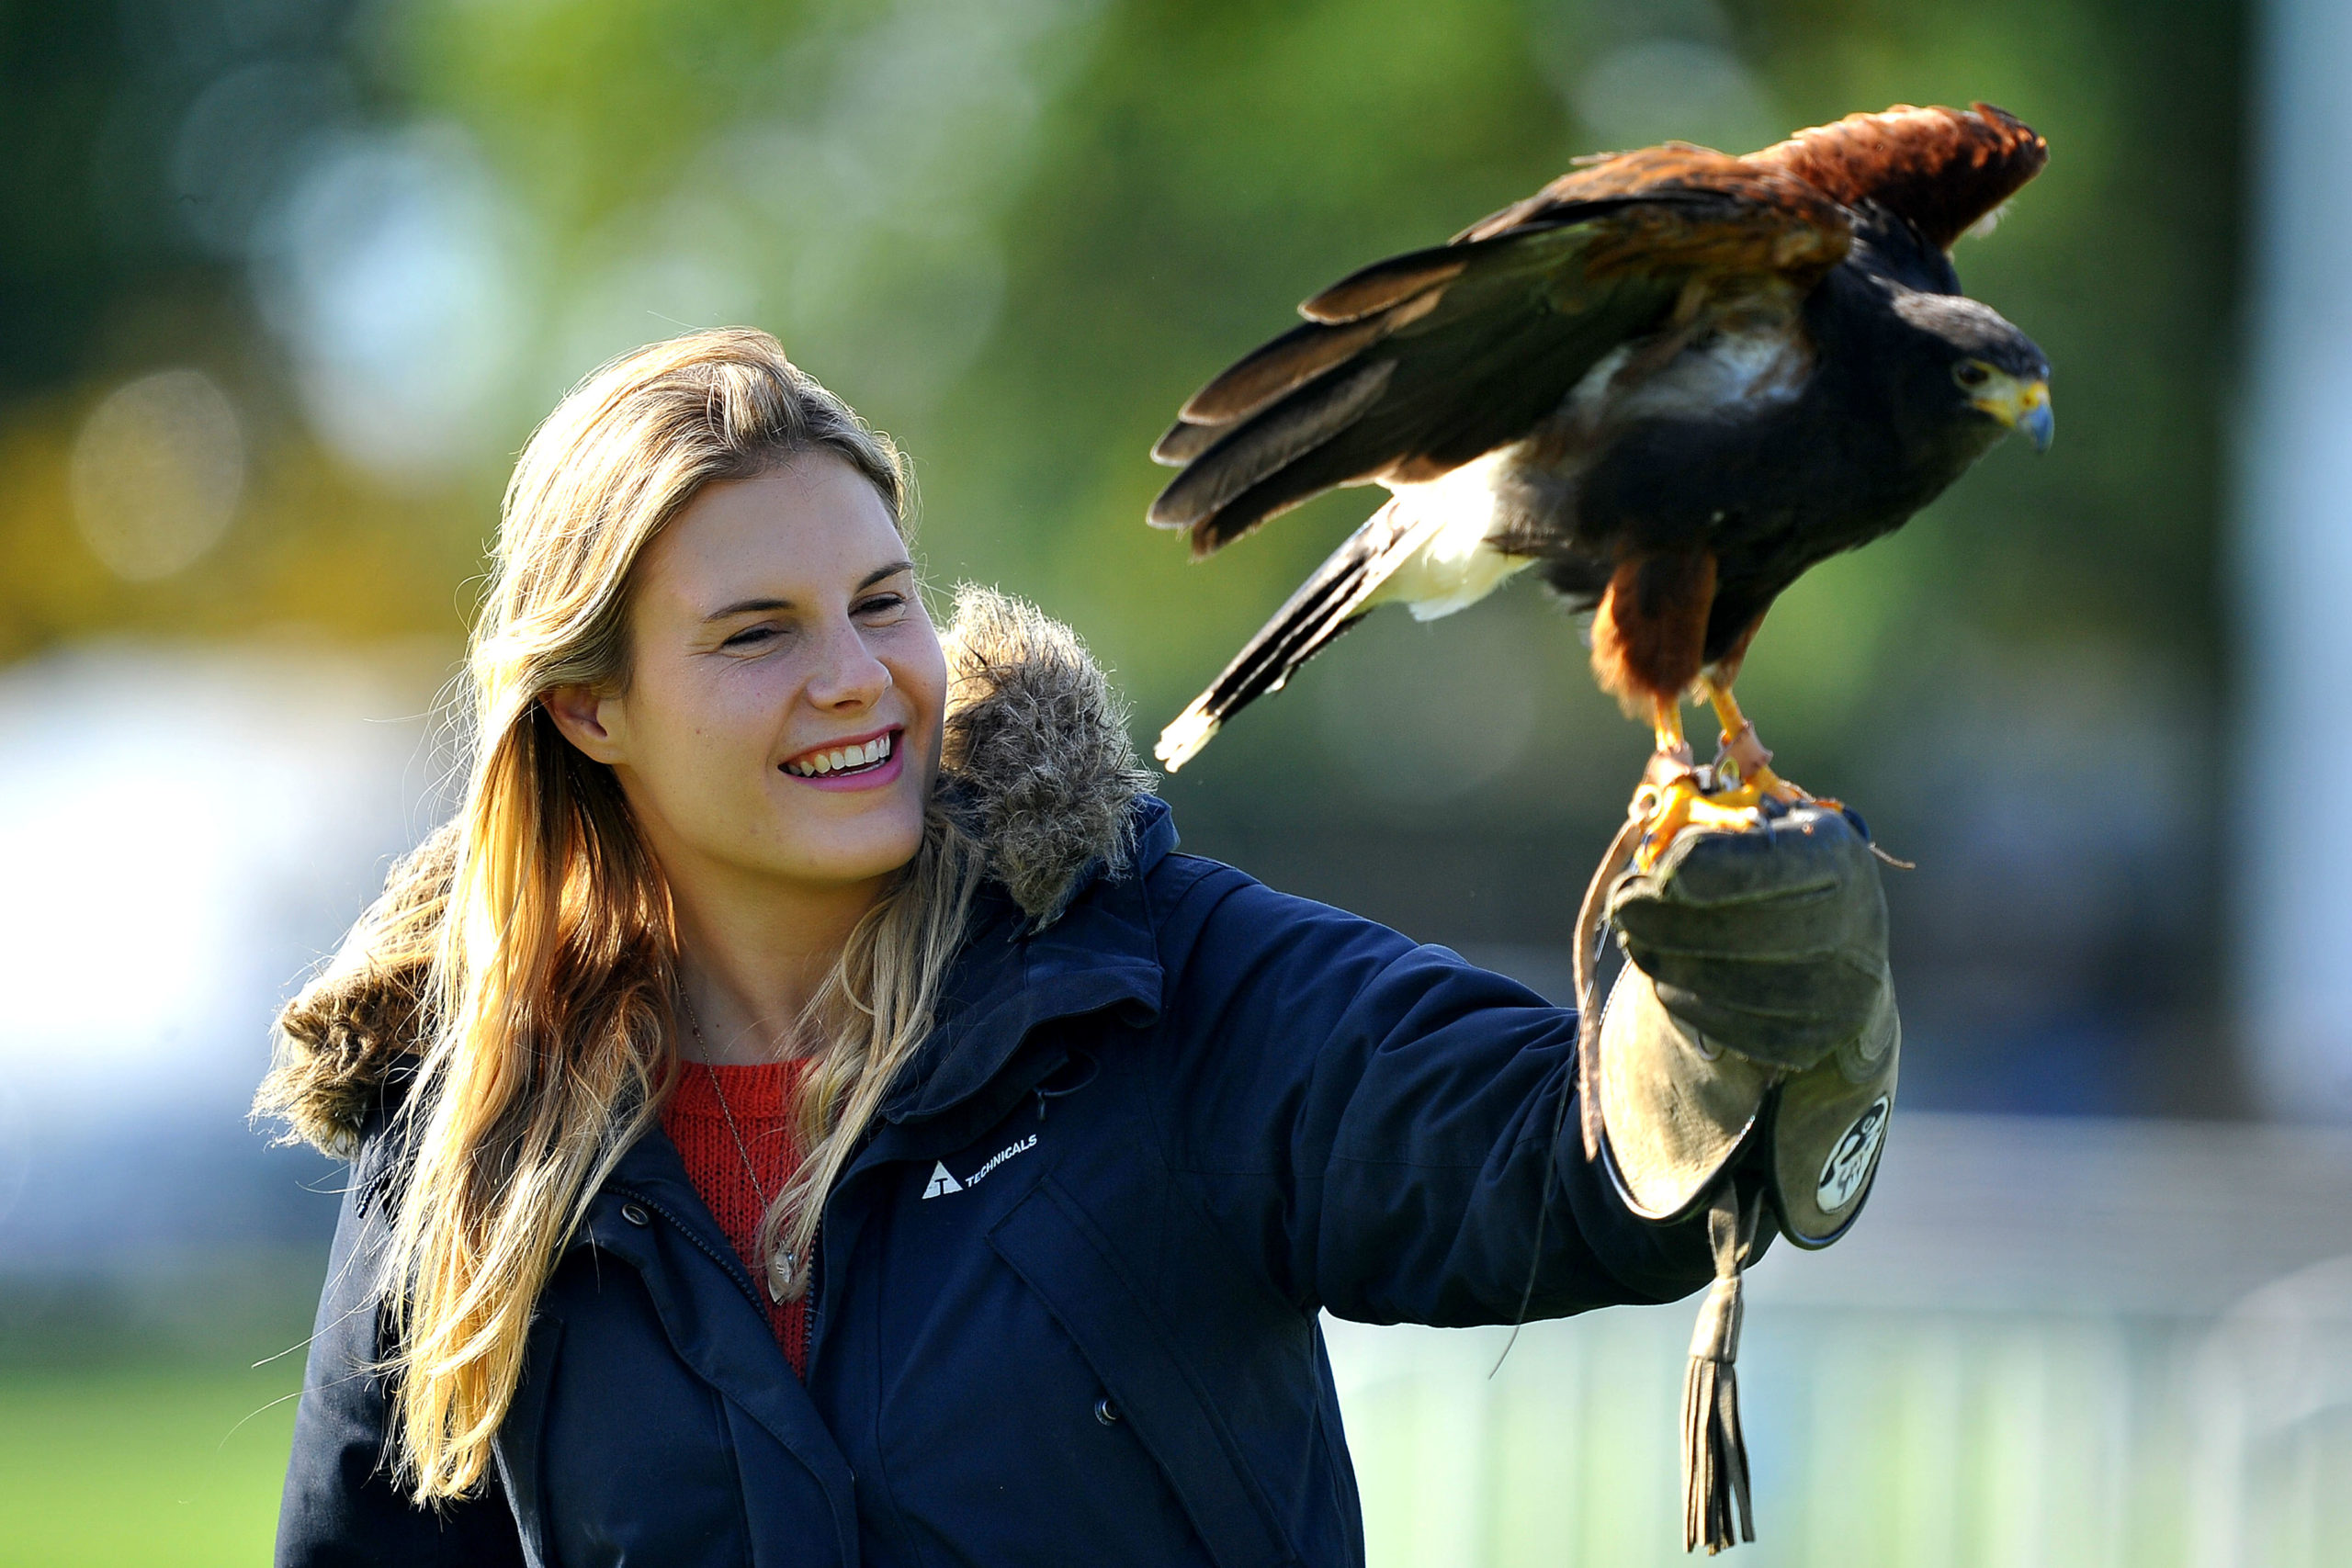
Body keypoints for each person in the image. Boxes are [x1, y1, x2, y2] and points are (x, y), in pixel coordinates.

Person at [258, 327, 1897, 1567]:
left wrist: (1713, 1055)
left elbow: (1549, 1154)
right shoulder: (474, 1133)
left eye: (882, 602)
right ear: (589, 707)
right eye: (758, 633)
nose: (855, 676)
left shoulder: (1142, 978)